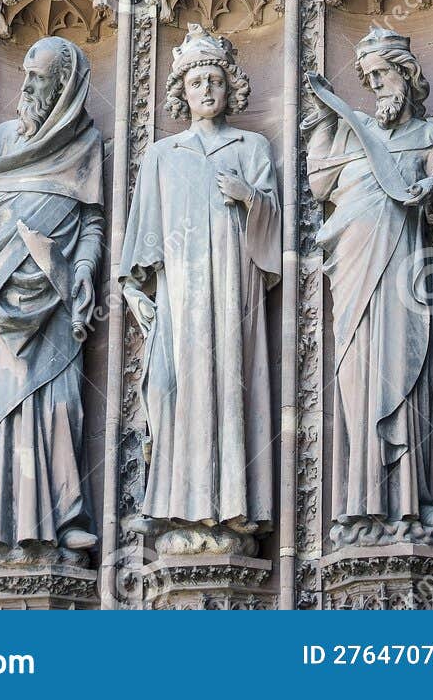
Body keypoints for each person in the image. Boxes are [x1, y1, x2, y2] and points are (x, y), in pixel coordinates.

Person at [120, 27, 280, 554]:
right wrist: (132, 290)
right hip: (180, 296)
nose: (206, 89)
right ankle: (173, 507)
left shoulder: (251, 146)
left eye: (214, 79)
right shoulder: (163, 155)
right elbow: (140, 240)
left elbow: (277, 229)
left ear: (229, 87)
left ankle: (235, 509)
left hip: (234, 292)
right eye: (195, 82)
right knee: (173, 391)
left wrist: (249, 198)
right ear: (180, 92)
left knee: (231, 388)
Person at [304, 29, 433, 546]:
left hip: (405, 271)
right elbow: (319, 185)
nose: (375, 87)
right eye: (367, 80)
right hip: (353, 268)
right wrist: (324, 122)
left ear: (406, 76)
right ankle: (361, 500)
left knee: (409, 374)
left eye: (382, 76)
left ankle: (413, 502)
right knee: (358, 379)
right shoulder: (354, 131)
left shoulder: (430, 136)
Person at [0, 38, 105, 556]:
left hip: (59, 287)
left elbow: (91, 219)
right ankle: (3, 522)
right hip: (3, 293)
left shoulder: (83, 143)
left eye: (38, 77)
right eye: (24, 73)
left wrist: (85, 268)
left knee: (61, 405)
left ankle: (66, 517)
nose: (25, 86)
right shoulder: (1, 138)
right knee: (7, 409)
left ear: (63, 84)